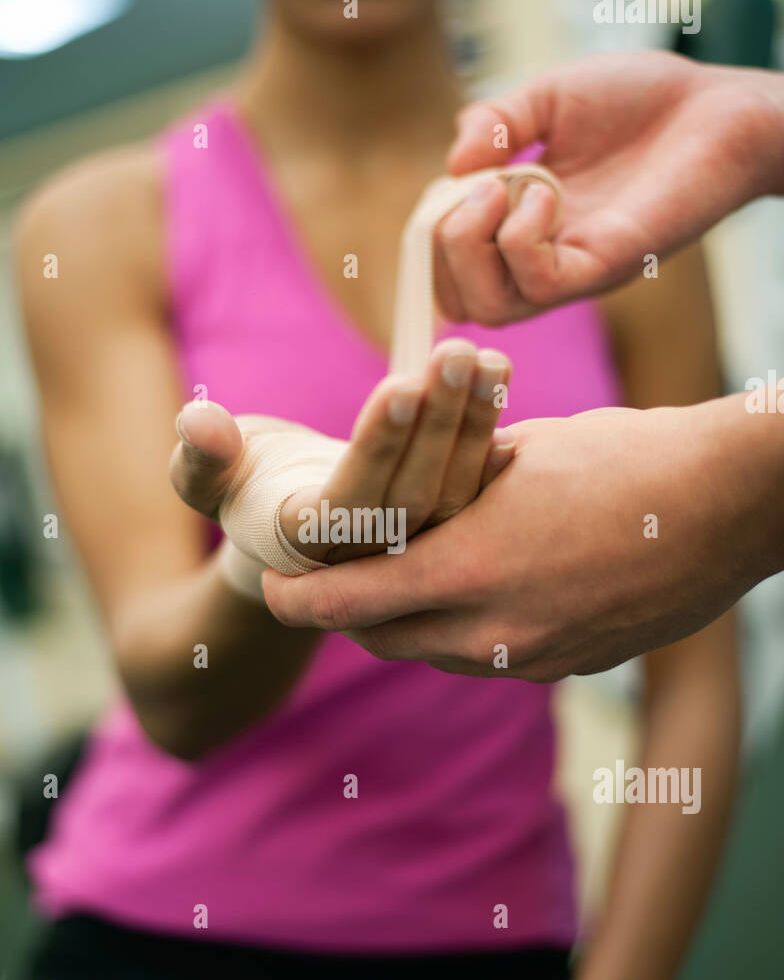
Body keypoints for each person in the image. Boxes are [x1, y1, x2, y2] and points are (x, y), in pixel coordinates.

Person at [0, 0, 739, 980]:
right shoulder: (101, 223)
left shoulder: (617, 220)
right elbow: (175, 689)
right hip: (148, 970)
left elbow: (700, 678)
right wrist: (277, 558)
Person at [264, 53, 784, 680]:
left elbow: (697, 666)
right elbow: (167, 687)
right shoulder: (133, 211)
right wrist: (260, 543)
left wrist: (735, 489)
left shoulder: (635, 236)